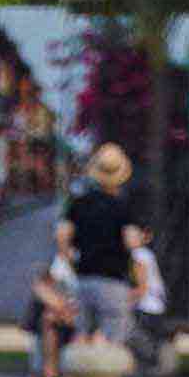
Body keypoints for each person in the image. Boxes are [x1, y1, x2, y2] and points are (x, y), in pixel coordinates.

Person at [56, 142, 136, 349]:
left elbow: (62, 235)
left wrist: (70, 260)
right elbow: (130, 241)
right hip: (113, 278)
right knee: (111, 334)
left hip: (84, 276)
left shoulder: (79, 203)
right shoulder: (122, 207)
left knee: (81, 332)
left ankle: (75, 376)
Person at [23, 250, 79, 377]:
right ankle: (50, 370)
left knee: (52, 321)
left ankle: (54, 371)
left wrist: (64, 313)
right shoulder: (42, 286)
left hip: (67, 320)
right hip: (52, 322)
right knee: (48, 321)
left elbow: (71, 305)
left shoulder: (75, 284)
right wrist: (63, 313)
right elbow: (56, 303)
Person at [127, 223, 169, 373]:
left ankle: (149, 363)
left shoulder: (138, 255)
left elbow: (142, 287)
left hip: (146, 306)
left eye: (132, 235)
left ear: (144, 237)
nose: (127, 238)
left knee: (130, 333)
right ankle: (150, 364)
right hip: (156, 305)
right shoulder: (147, 254)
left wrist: (125, 302)